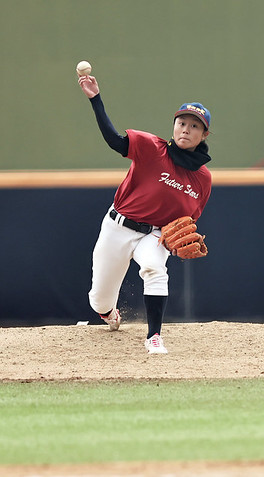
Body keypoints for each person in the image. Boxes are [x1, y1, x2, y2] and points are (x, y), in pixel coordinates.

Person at [78, 72, 212, 354]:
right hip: (118, 227)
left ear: (204, 134)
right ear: (173, 126)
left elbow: (187, 220)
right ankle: (109, 313)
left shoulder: (203, 179)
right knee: (99, 300)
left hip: (154, 234)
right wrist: (95, 99)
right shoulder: (152, 148)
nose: (186, 129)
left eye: (194, 126)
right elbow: (115, 141)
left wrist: (176, 241)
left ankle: (154, 337)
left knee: (155, 270)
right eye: (182, 123)